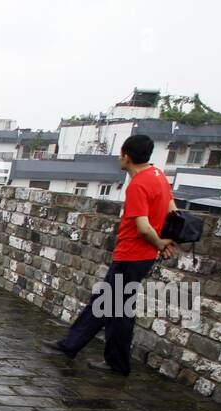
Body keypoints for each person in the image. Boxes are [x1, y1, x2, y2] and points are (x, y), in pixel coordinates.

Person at [44, 134, 177, 375]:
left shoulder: (139, 184)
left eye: (121, 155)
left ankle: (115, 362)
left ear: (126, 156)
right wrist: (167, 241)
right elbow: (172, 211)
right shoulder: (159, 177)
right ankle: (72, 345)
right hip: (140, 256)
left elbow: (144, 227)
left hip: (133, 254)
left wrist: (159, 243)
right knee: (108, 305)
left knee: (118, 310)